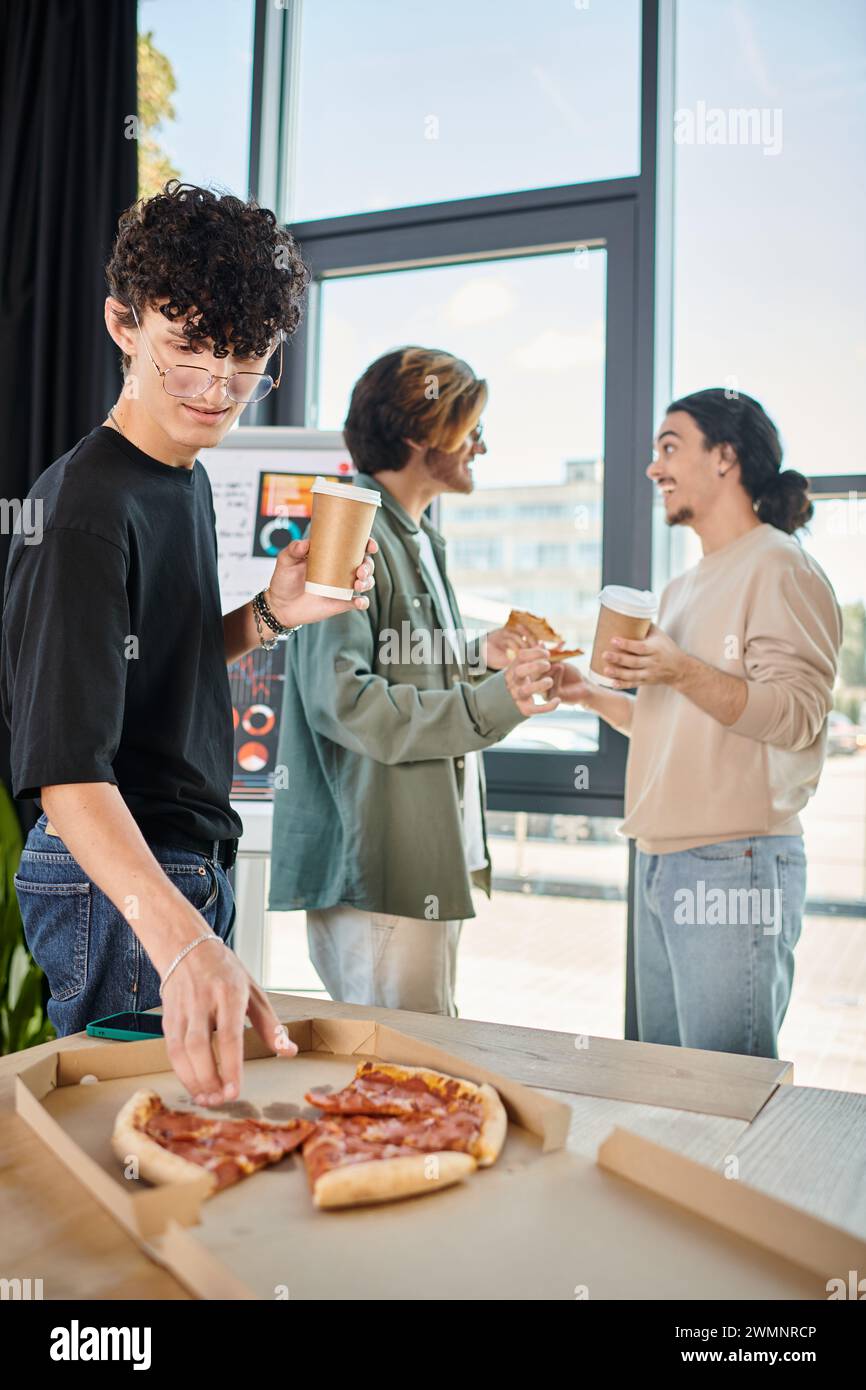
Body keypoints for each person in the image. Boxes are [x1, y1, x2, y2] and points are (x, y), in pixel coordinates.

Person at [1, 183, 377, 1105]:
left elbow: (153, 673)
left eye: (246, 356)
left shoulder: (181, 481)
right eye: (188, 348)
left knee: (180, 1139)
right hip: (119, 872)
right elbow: (69, 775)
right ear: (121, 324)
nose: (218, 387)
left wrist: (271, 614)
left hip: (171, 865)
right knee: (134, 1157)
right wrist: (183, 939)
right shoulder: (83, 509)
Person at [268, 347, 556, 1015]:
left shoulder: (416, 535)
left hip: (420, 863)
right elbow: (344, 700)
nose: (481, 446)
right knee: (402, 1083)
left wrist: (476, 653)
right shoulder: (351, 527)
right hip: (380, 874)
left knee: (418, 1067)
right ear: (419, 433)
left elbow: (399, 656)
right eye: (470, 428)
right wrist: (494, 700)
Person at [555, 389, 842, 1057]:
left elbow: (798, 717)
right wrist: (593, 696)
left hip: (732, 862)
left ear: (726, 458)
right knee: (667, 1086)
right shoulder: (684, 587)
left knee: (723, 1089)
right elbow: (677, 726)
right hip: (659, 861)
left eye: (669, 447)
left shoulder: (779, 564)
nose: (654, 468)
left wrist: (680, 669)